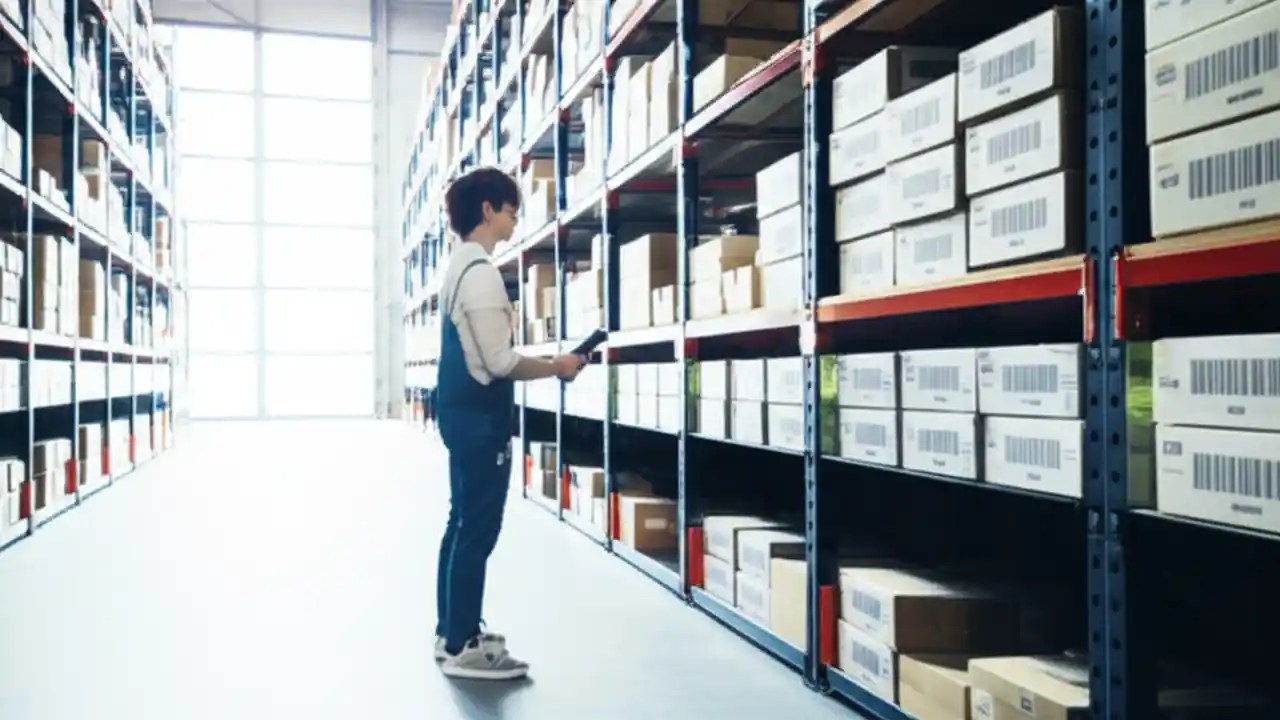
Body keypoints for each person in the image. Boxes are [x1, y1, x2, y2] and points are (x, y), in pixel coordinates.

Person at [433, 167, 584, 680]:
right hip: (479, 417)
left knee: (460, 523)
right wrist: (556, 367)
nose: (516, 219)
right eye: (510, 209)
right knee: (478, 529)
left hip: (461, 412)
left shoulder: (458, 268)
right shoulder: (481, 274)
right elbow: (499, 362)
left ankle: (452, 631)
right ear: (486, 211)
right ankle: (461, 647)